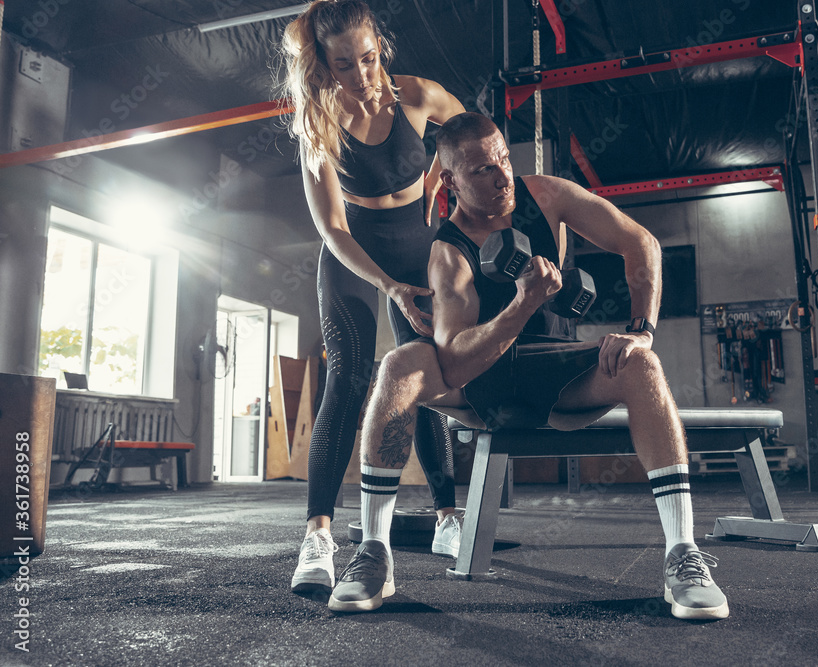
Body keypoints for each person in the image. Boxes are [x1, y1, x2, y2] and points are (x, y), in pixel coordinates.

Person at [327, 112, 729, 621]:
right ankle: (374, 554)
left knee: (641, 364)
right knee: (400, 365)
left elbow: (641, 242)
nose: (501, 179)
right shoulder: (448, 251)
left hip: (558, 371)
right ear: (449, 181)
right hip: (480, 383)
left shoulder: (547, 197)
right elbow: (454, 361)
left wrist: (640, 329)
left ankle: (683, 554)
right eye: (481, 171)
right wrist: (521, 305)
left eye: (503, 160)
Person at [279, 0, 467, 599]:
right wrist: (387, 284)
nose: (362, 76)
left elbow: (473, 138)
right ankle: (318, 536)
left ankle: (446, 517)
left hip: (418, 244)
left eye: (368, 58)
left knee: (426, 374)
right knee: (350, 379)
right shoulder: (320, 123)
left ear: (379, 47)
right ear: (323, 66)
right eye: (343, 65)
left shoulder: (419, 96)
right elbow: (332, 228)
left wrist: (444, 178)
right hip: (355, 254)